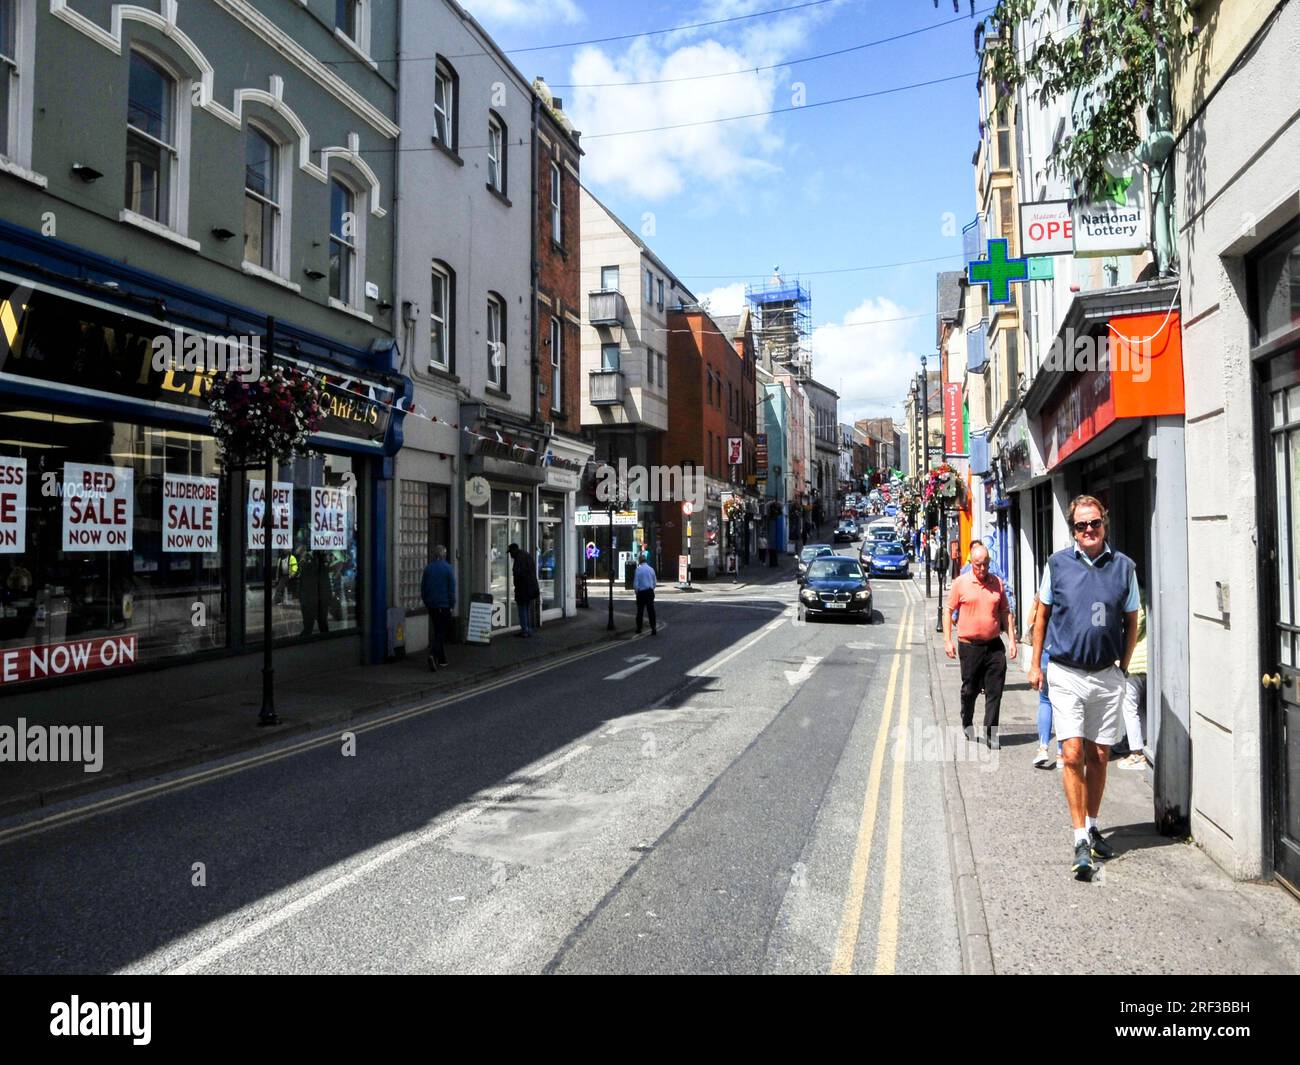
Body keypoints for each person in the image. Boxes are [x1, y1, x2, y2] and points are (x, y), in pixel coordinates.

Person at [1028, 495, 1140, 881]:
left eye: (1094, 523)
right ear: (1072, 529)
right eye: (1081, 525)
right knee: (1072, 753)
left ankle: (1092, 826)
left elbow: (1132, 621)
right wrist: (1034, 662)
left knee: (1100, 754)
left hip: (1106, 675)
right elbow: (1041, 616)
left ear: (1104, 524)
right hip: (1066, 673)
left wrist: (1122, 668)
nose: (1088, 530)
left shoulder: (1124, 568)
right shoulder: (1057, 565)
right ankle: (1079, 838)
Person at [944, 541, 1017, 747]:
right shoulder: (961, 583)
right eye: (978, 565)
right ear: (971, 562)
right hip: (969, 647)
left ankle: (990, 734)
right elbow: (948, 611)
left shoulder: (997, 583)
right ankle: (966, 719)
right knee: (970, 690)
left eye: (985, 564)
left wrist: (1011, 639)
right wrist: (947, 640)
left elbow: (1005, 612)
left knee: (995, 691)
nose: (982, 569)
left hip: (994, 646)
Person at [1027, 595, 1062, 769]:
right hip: (1063, 661)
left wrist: (1036, 601)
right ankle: (1062, 752)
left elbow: (1030, 624)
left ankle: (1043, 748)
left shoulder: (1044, 600)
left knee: (1045, 702)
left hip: (1044, 660)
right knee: (1063, 707)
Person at [1117, 593, 1150, 770]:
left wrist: (1120, 651)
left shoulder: (1138, 596)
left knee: (1129, 707)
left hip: (1135, 660)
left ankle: (1137, 753)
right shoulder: (1142, 596)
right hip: (1146, 661)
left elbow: (1134, 626)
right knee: (1141, 707)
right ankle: (1138, 744)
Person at [421, 545, 455, 671]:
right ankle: (432, 654)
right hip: (443, 605)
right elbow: (451, 590)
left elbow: (423, 588)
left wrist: (426, 601)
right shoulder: (448, 568)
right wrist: (452, 605)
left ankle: (442, 660)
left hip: (432, 605)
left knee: (438, 630)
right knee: (442, 632)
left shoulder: (428, 568)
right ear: (444, 555)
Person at [508, 542, 540, 637]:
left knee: (522, 609)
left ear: (514, 550)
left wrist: (516, 586)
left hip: (523, 588)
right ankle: (527, 629)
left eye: (510, 552)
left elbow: (518, 574)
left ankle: (525, 630)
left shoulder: (519, 559)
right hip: (530, 586)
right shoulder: (527, 556)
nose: (510, 555)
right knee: (526, 608)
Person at [297, 547, 332, 635]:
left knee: (317, 624)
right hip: (312, 598)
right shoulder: (316, 562)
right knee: (317, 625)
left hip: (314, 598)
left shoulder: (316, 562)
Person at [633, 553, 658, 635]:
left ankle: (639, 628)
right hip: (649, 592)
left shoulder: (638, 570)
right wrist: (652, 588)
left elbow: (636, 583)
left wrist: (637, 591)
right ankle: (653, 628)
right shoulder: (651, 569)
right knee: (651, 611)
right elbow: (655, 582)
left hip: (641, 593)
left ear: (639, 561)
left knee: (640, 611)